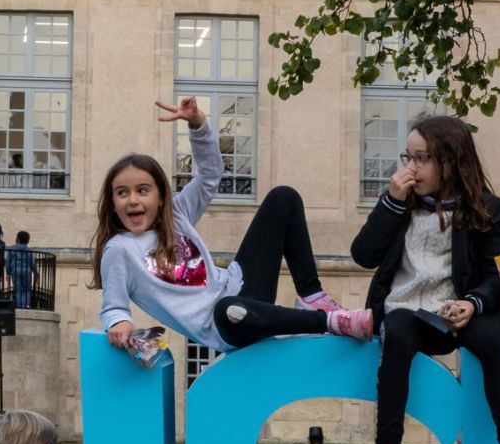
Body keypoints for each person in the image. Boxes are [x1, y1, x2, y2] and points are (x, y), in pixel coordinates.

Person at [98, 99, 373, 367]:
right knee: (228, 310)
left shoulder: (176, 216)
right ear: (113, 203)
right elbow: (114, 305)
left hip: (242, 287)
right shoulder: (119, 249)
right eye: (122, 193)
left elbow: (209, 175)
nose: (132, 200)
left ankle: (311, 296)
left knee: (283, 198)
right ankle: (329, 321)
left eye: (142, 190)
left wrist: (198, 126)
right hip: (226, 325)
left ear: (160, 198)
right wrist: (119, 322)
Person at [350, 115, 500, 444]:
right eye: (408, 157)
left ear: (451, 162)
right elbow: (363, 255)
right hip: (408, 314)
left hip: (460, 312)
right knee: (395, 334)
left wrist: (473, 303)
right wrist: (391, 203)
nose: (410, 168)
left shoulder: (486, 208)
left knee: (490, 338)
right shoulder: (401, 207)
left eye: (422, 158)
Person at [8, 231, 37, 310]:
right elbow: (32, 262)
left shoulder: (11, 249)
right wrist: (36, 273)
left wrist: (8, 272)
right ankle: (27, 305)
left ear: (18, 239)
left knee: (18, 290)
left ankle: (20, 305)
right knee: (27, 289)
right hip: (26, 271)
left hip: (15, 270)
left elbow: (8, 261)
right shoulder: (29, 250)